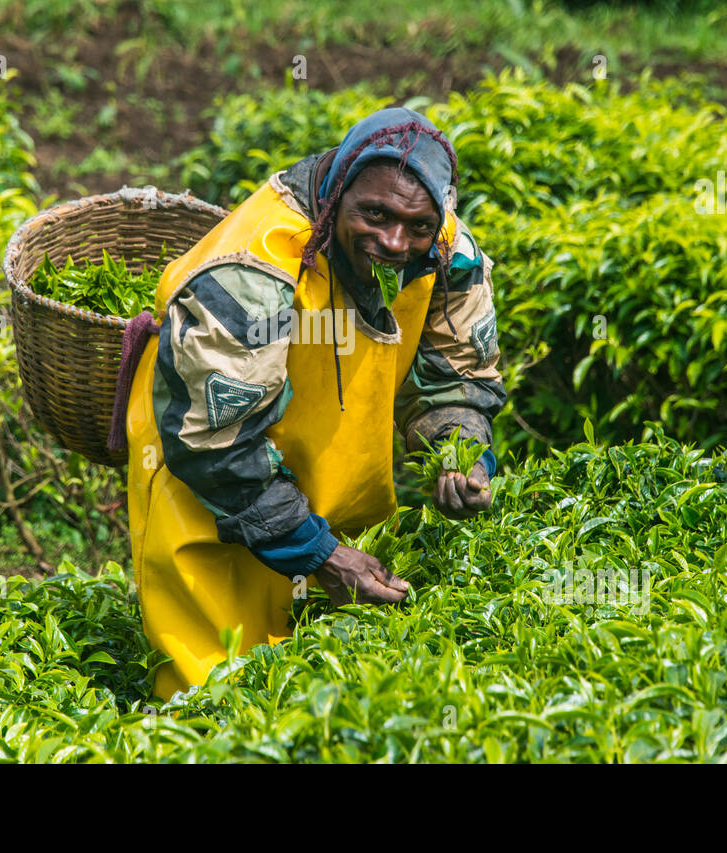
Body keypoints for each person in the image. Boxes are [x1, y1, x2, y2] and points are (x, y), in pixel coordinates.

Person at [122, 106, 505, 700]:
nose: (393, 241)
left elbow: (459, 377)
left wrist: (460, 452)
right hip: (210, 489)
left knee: (319, 702)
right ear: (337, 196)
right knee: (213, 692)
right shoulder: (261, 265)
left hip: (334, 488)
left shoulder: (446, 251)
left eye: (416, 223)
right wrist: (320, 555)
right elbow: (213, 444)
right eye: (373, 214)